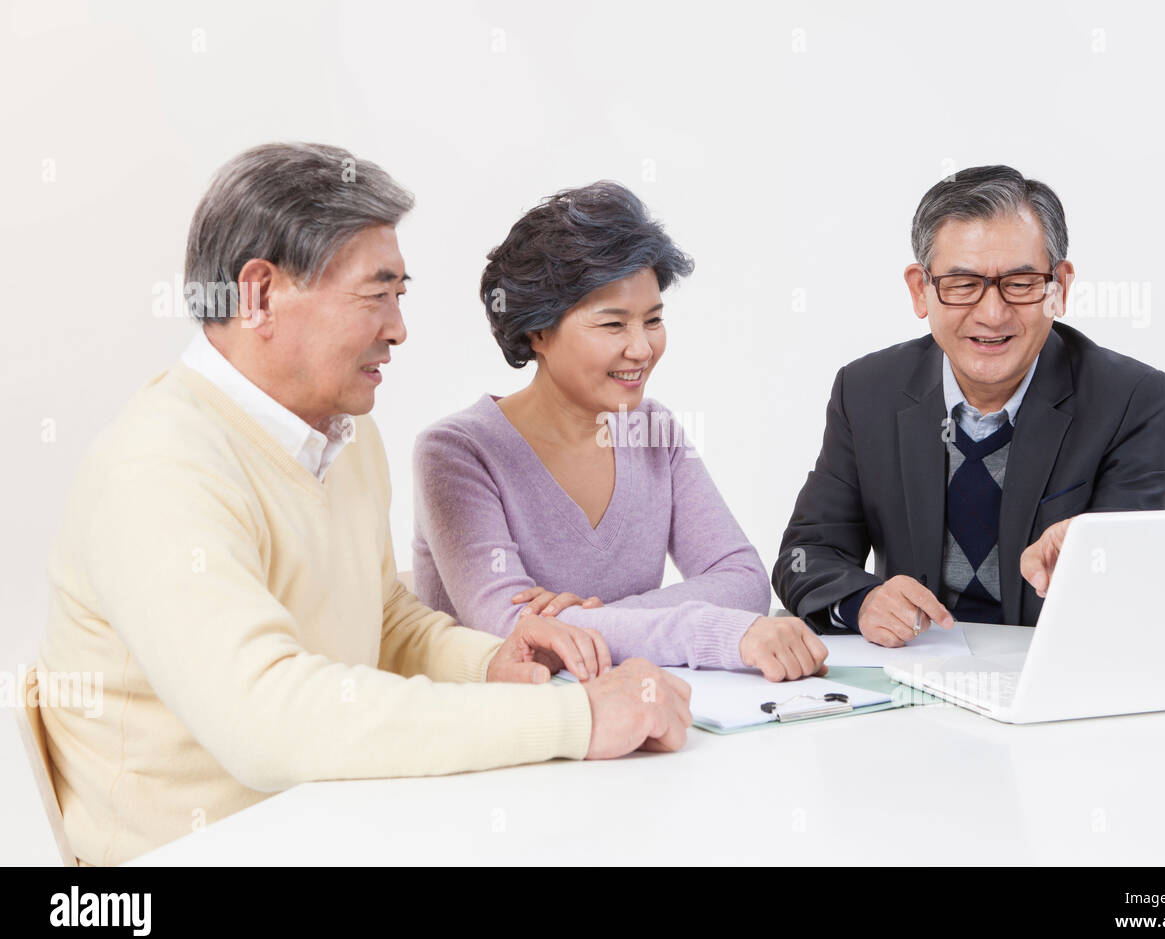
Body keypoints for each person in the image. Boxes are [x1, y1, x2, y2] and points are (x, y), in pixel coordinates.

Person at [38, 144, 692, 867]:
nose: (398, 327)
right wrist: (571, 718)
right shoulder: (160, 467)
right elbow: (267, 720)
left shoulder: (345, 436)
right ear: (257, 294)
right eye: (376, 294)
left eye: (400, 295)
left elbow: (382, 619)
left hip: (339, 827)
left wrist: (492, 663)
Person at [412, 181, 828, 682]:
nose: (641, 349)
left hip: (624, 724)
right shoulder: (456, 452)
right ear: (538, 331)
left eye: (652, 320)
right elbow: (514, 631)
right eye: (613, 325)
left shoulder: (653, 431)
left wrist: (590, 621)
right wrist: (716, 632)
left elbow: (743, 579)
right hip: (504, 734)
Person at [773, 165, 1165, 645]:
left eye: (1021, 283)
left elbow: (1135, 580)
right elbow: (807, 554)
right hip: (915, 676)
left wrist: (1091, 556)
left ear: (1059, 288)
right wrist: (863, 602)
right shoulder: (865, 391)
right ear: (921, 290)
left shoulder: (1130, 397)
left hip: (1050, 679)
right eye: (962, 284)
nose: (992, 314)